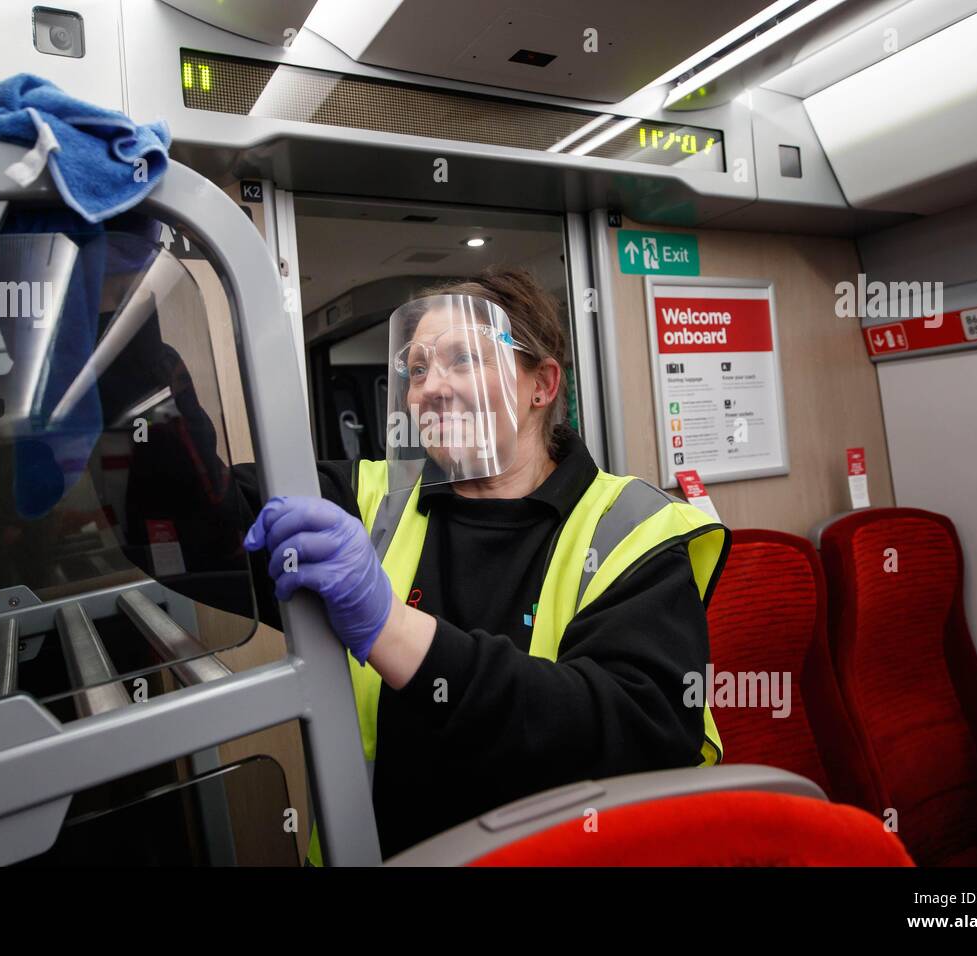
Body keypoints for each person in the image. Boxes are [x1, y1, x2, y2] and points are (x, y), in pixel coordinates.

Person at [238, 267, 730, 861]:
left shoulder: (632, 528)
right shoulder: (372, 498)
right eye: (417, 368)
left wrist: (394, 632)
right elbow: (200, 521)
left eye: (462, 360)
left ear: (541, 386)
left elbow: (634, 733)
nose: (429, 389)